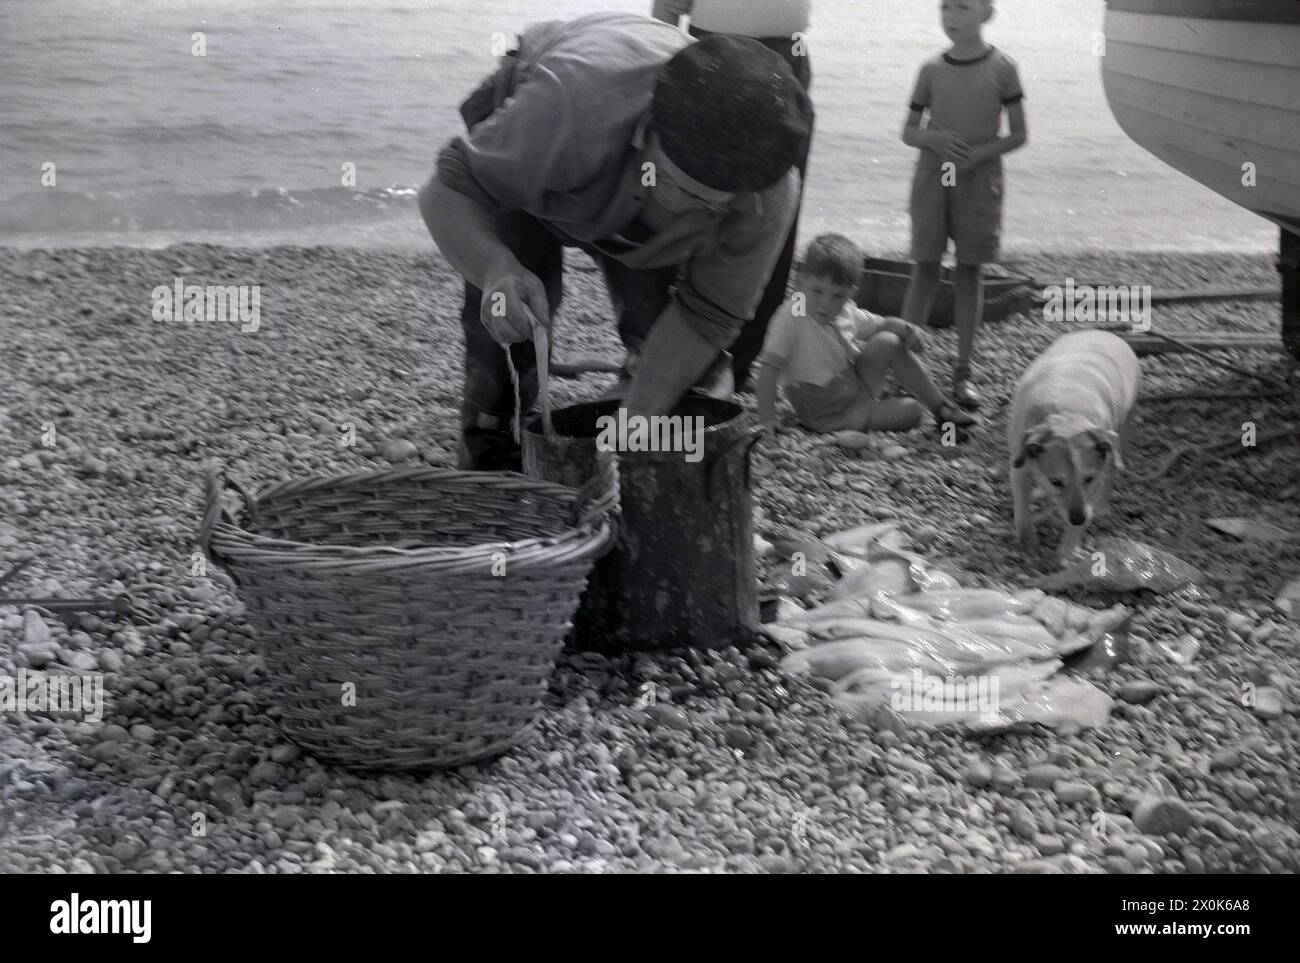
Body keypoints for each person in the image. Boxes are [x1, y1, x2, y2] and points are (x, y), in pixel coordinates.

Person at [420, 12, 812, 470]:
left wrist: (634, 426)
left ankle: (628, 442)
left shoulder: (771, 191)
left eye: (717, 205)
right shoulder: (570, 104)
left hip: (627, 191)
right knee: (513, 319)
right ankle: (492, 443)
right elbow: (450, 186)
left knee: (679, 371)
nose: (694, 213)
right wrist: (494, 269)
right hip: (545, 144)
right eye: (684, 192)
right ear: (646, 134)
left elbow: (708, 314)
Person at [651, 0, 815, 392]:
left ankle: (738, 362)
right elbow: (666, 10)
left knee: (773, 213)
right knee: (681, 206)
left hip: (786, 55)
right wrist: (666, 62)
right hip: (710, 52)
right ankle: (654, 352)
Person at [899, 0, 1027, 410]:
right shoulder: (931, 69)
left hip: (979, 178)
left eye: (963, 7)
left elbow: (1019, 134)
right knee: (925, 268)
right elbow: (908, 131)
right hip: (933, 177)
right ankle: (903, 364)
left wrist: (980, 154)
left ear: (986, 13)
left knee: (970, 271)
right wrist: (934, 139)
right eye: (945, 7)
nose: (951, 16)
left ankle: (963, 371)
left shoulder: (1003, 68)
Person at [755, 234, 977, 438]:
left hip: (852, 387)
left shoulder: (846, 310)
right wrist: (767, 417)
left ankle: (941, 408)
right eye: (818, 291)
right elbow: (769, 368)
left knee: (888, 341)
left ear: (851, 293)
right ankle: (869, 415)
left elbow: (881, 325)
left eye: (837, 295)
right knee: (912, 411)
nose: (826, 303)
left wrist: (908, 329)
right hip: (824, 411)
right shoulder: (791, 315)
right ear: (800, 282)